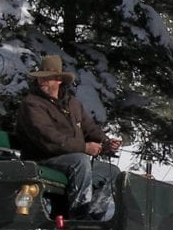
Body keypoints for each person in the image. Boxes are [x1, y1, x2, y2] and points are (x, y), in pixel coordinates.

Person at [15, 55, 122, 220]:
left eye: (47, 78)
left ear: (59, 80)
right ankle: (77, 218)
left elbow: (90, 129)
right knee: (80, 161)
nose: (42, 82)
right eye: (40, 78)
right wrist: (84, 148)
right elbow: (48, 138)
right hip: (43, 158)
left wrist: (106, 143)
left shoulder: (73, 104)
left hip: (70, 159)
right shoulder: (32, 104)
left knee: (112, 172)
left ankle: (94, 218)